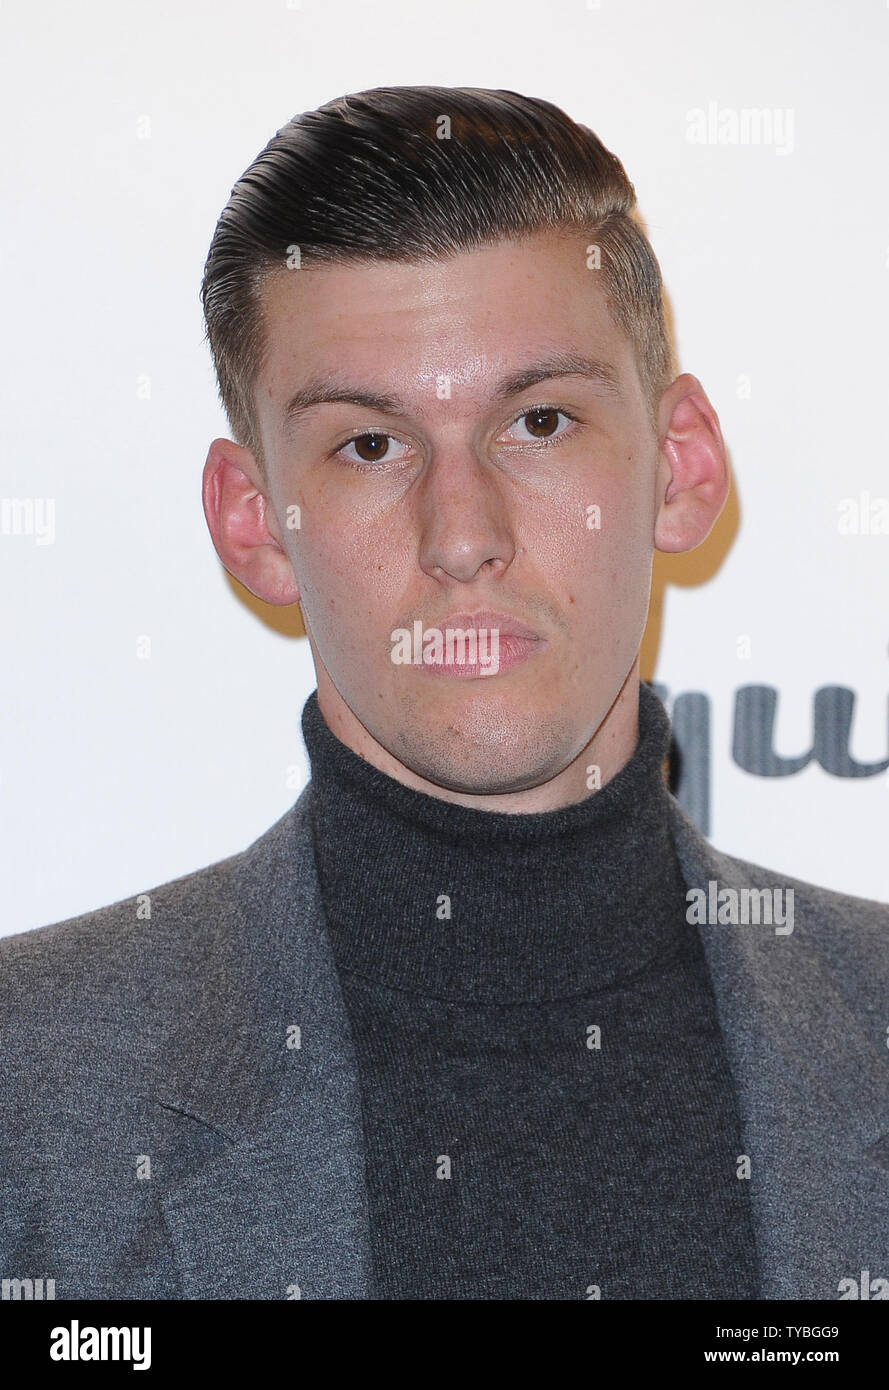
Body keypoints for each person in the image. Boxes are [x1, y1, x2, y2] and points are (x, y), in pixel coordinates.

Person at [2, 86, 887, 1303]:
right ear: (253, 521)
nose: (461, 536)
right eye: (370, 443)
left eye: (539, 419)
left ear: (679, 468)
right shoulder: (28, 1087)